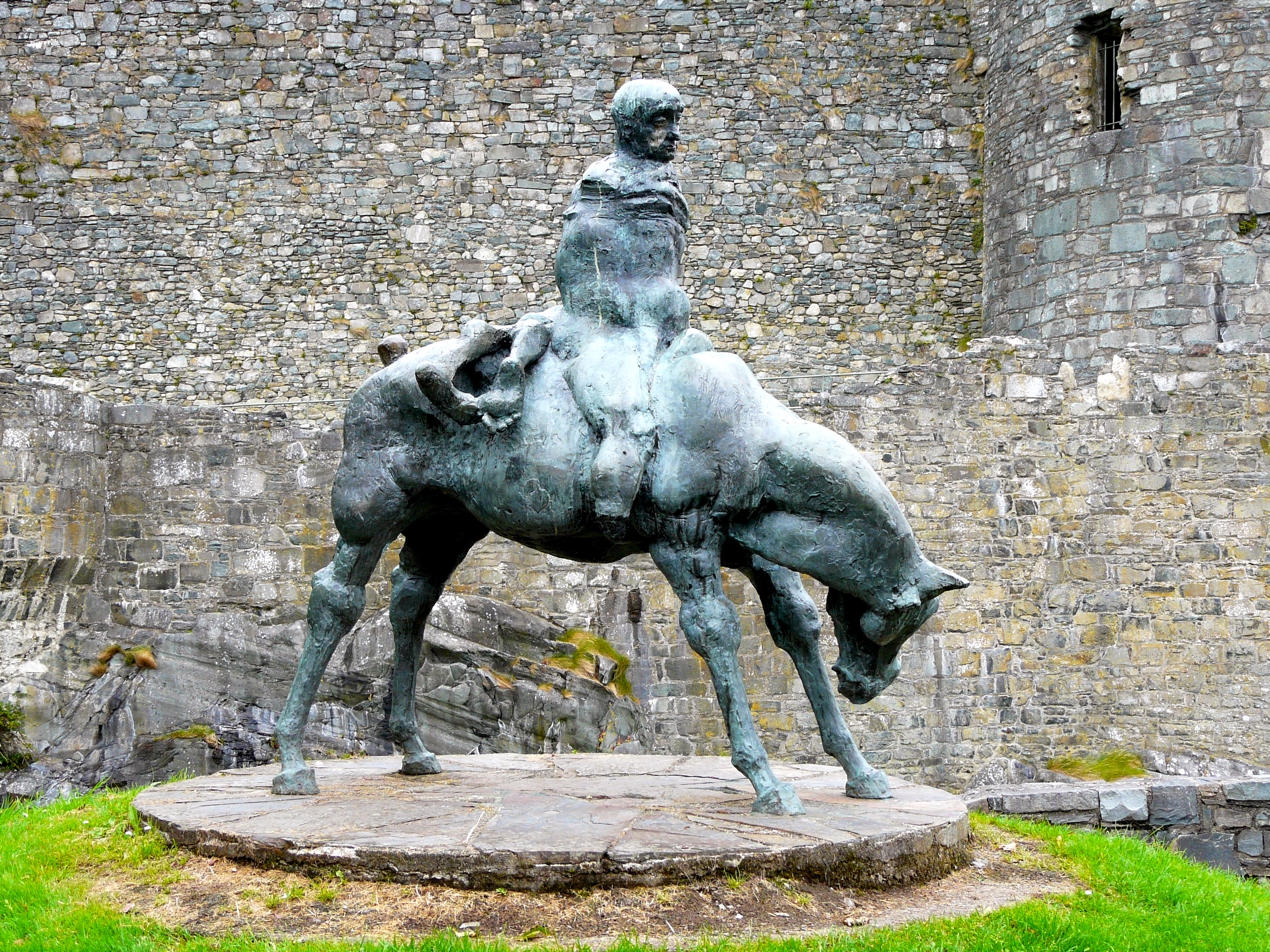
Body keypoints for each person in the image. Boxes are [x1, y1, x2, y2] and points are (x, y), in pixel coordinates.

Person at [549, 78, 691, 537]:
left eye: (675, 122)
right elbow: (577, 271)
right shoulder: (603, 186)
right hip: (608, 328)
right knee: (630, 418)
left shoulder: (665, 187)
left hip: (660, 326)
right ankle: (609, 512)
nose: (673, 135)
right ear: (629, 127)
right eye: (661, 123)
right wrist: (635, 312)